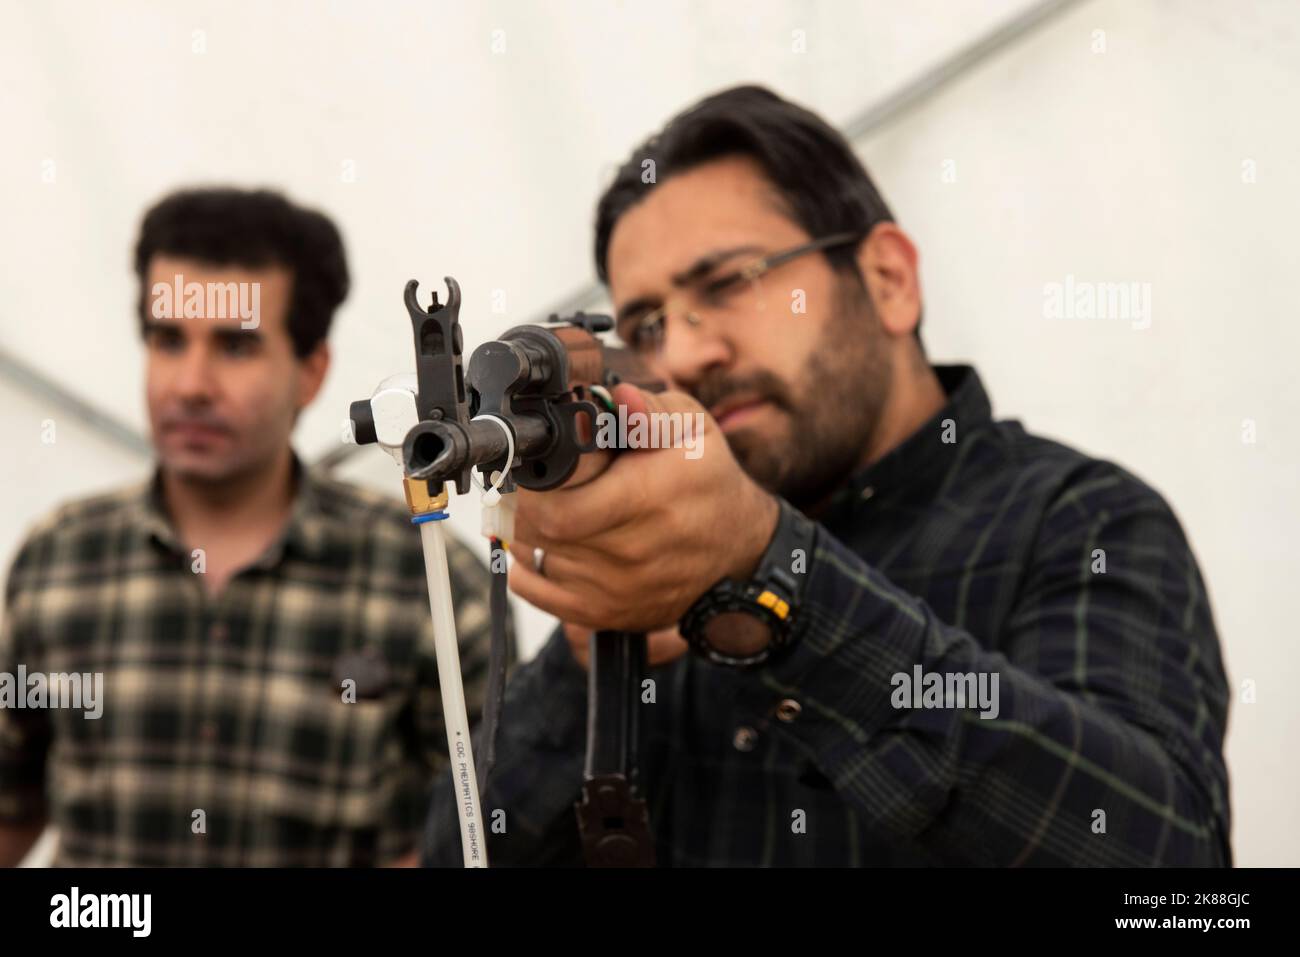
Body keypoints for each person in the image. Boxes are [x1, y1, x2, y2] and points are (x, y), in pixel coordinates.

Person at [422, 85, 1231, 866]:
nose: (687, 353)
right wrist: (584, 658)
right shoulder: (655, 576)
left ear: (888, 279)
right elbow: (462, 852)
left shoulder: (1082, 520)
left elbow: (1167, 861)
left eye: (730, 282)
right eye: (648, 325)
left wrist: (770, 581)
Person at [0, 187, 501, 866]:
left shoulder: (429, 580)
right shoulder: (57, 561)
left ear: (311, 371)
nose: (191, 383)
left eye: (235, 346)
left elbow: (483, 831)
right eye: (168, 339)